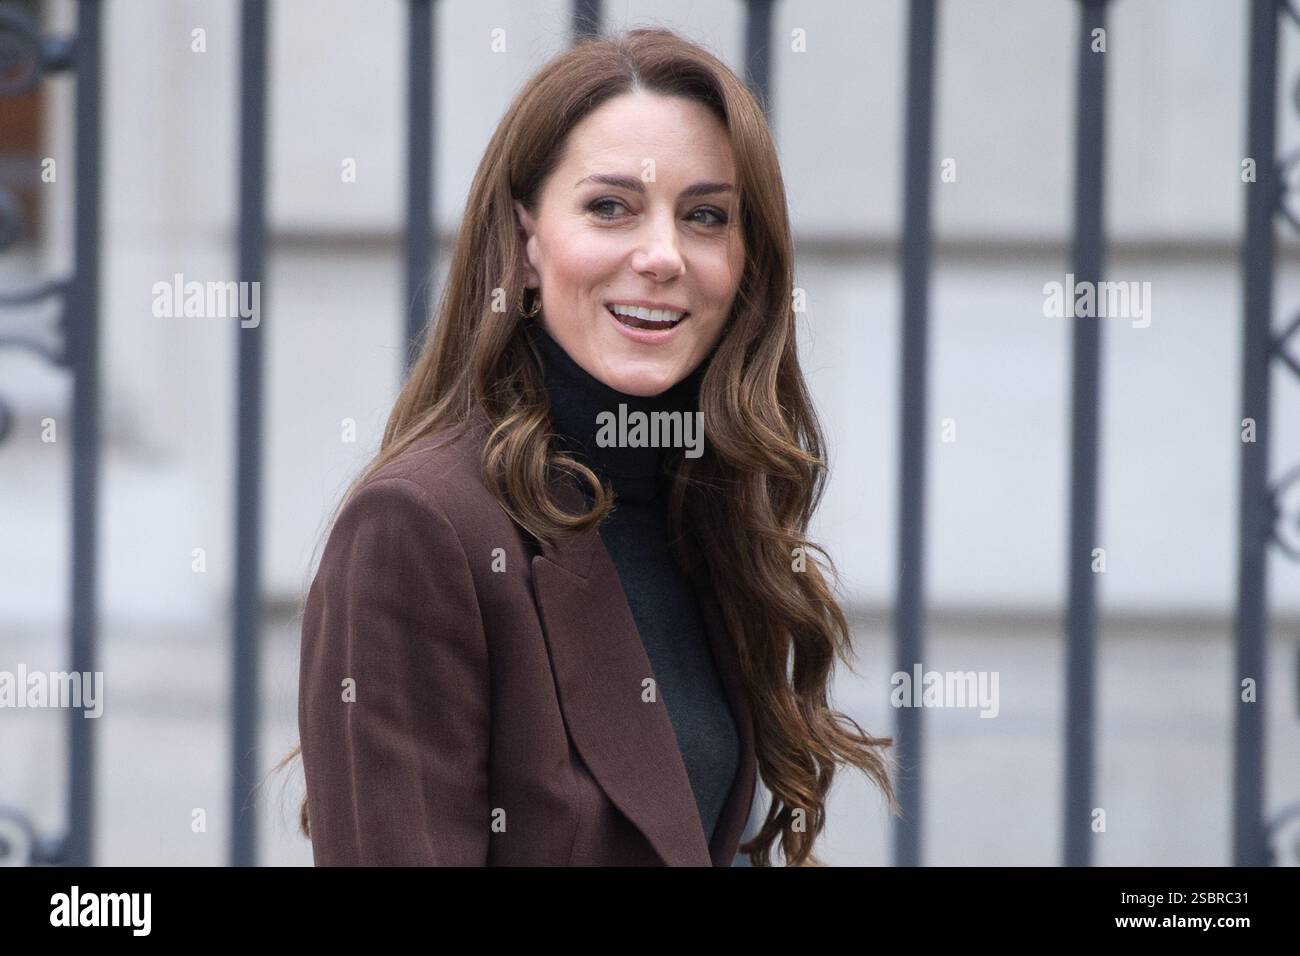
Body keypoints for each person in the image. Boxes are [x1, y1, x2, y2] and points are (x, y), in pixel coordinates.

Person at [283, 26, 898, 867]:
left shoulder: (704, 512)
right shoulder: (418, 529)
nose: (661, 256)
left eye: (706, 216)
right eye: (609, 207)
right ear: (528, 240)